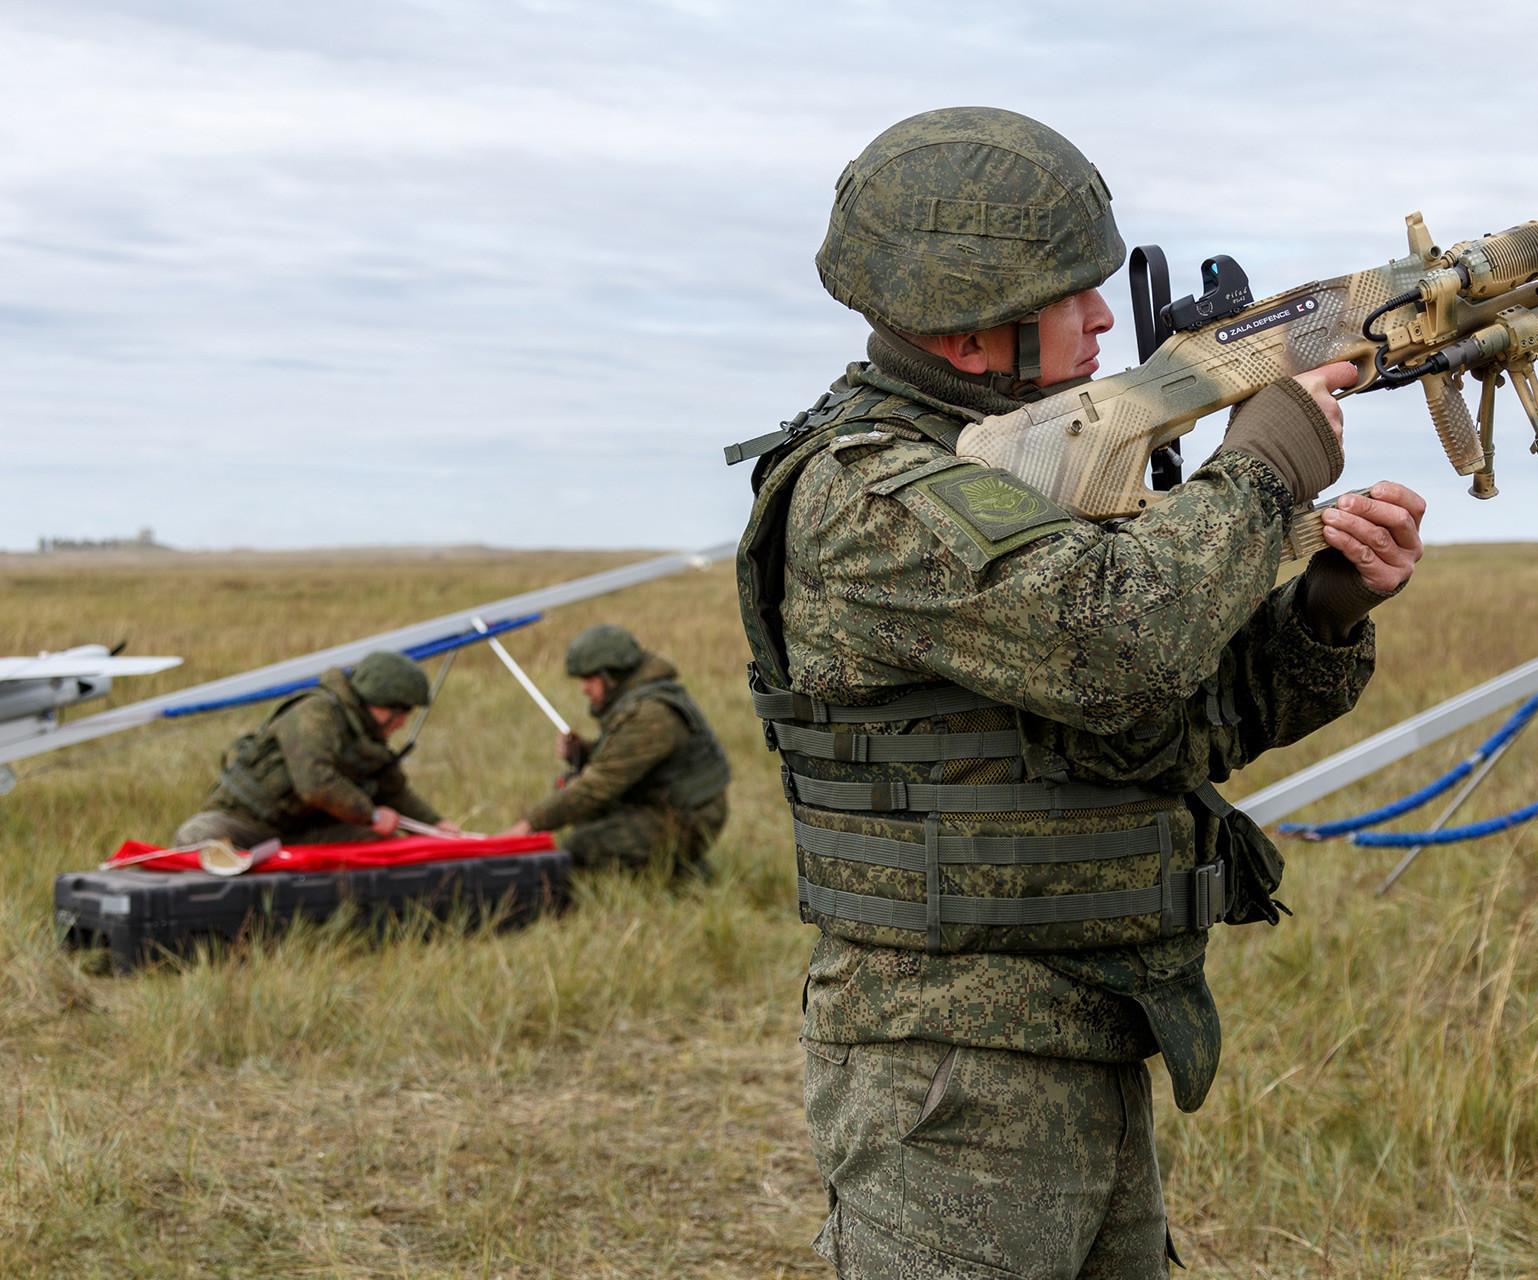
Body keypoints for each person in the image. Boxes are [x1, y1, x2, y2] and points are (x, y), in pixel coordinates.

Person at [728, 107, 1427, 1278]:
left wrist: (1323, 610)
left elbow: (1165, 726)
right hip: (951, 1063)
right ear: (969, 335)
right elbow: (1126, 644)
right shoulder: (873, 494)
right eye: (1071, 293)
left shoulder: (1037, 465)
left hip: (1088, 1018)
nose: (1106, 316)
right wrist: (1265, 464)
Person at [502, 624, 731, 879]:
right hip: (666, 803)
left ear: (612, 676)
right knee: (567, 783)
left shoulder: (650, 714)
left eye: (589, 679)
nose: (583, 688)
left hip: (690, 819)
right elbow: (626, 760)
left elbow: (598, 785)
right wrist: (585, 752)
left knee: (580, 845)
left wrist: (527, 825)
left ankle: (678, 872)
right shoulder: (640, 697)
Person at [174, 649, 457, 847]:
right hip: (245, 823)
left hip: (303, 833)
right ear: (381, 701)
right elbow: (315, 783)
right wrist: (370, 815)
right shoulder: (315, 714)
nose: (403, 722)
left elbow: (394, 792)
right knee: (196, 838)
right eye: (401, 711)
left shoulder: (368, 738)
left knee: (382, 846)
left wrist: (436, 825)